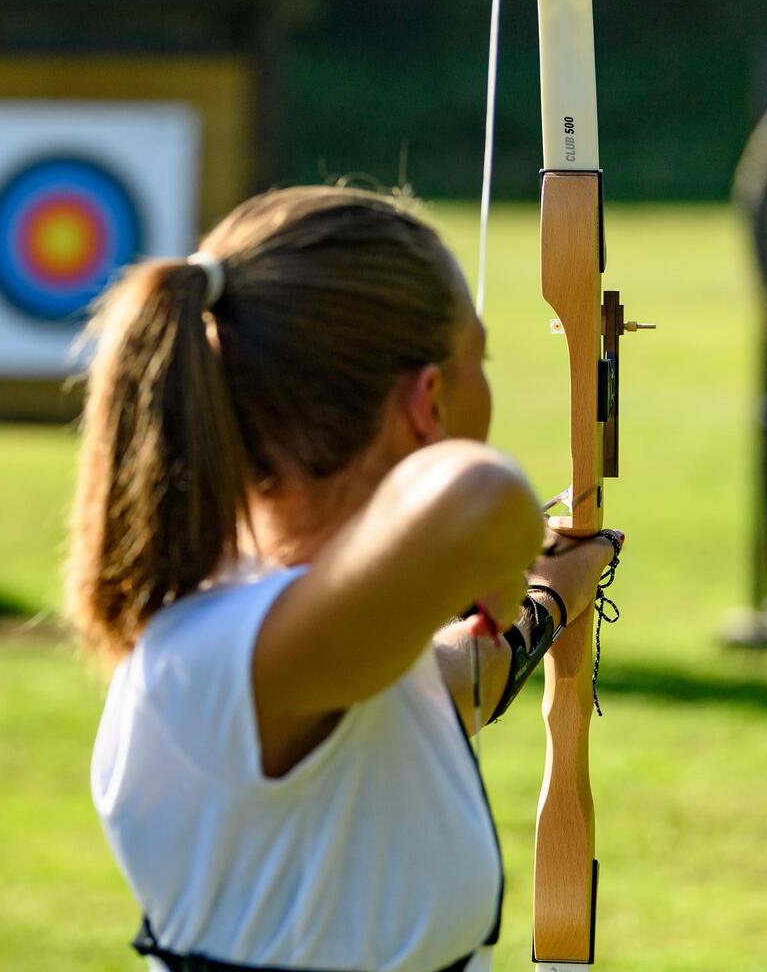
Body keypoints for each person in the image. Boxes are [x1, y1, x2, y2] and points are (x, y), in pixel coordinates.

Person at [66, 185, 623, 971]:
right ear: (427, 401)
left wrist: (547, 600)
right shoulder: (222, 647)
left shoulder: (297, 639)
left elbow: (440, 681)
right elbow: (484, 497)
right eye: (478, 361)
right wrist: (496, 565)